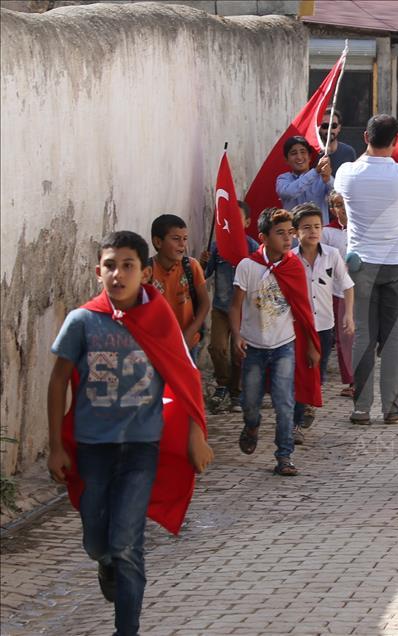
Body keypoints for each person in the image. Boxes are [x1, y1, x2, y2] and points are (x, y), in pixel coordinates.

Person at [47, 231, 212, 636]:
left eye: (128, 266)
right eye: (110, 265)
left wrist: (195, 433)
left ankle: (127, 629)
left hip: (142, 446)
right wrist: (54, 446)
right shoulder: (82, 321)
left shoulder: (160, 319)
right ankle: (105, 563)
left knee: (127, 543)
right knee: (97, 542)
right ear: (97, 270)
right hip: (93, 448)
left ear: (143, 274)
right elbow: (57, 382)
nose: (118, 274)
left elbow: (185, 376)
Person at [334, 115, 398, 425]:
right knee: (394, 338)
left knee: (363, 335)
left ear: (365, 136)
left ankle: (361, 408)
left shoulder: (347, 173)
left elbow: (359, 163)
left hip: (360, 263)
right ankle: (391, 408)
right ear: (395, 142)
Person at [231, 208, 321, 476]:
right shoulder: (248, 266)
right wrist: (236, 335)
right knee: (250, 400)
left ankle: (284, 456)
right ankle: (252, 424)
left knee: (284, 402)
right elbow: (235, 306)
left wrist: (313, 346)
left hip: (284, 344)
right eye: (280, 233)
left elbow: (303, 309)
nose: (287, 239)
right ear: (263, 237)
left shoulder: (293, 266)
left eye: (290, 233)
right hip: (254, 345)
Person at [290, 203, 355, 443]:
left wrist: (348, 315)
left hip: (324, 324)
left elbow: (347, 285)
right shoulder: (290, 259)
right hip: (296, 326)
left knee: (317, 371)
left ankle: (307, 403)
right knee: (298, 374)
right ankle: (294, 422)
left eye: (317, 226)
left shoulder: (331, 254)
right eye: (306, 227)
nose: (313, 232)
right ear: (296, 232)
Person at [199, 201, 259, 413]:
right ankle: (223, 384)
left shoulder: (252, 247)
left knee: (239, 352)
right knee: (217, 347)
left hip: (244, 309)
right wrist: (203, 262)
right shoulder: (217, 247)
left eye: (238, 219)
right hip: (221, 308)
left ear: (247, 222)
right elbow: (205, 275)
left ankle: (237, 392)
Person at [149, 214, 211, 360]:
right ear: (158, 242)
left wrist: (190, 332)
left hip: (188, 341)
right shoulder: (147, 271)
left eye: (185, 239)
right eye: (176, 239)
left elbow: (204, 304)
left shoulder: (191, 266)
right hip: (158, 344)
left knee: (186, 382)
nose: (182, 244)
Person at [321, 192, 356, 398]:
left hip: (360, 289)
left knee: (353, 335)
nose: (340, 209)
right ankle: (351, 379)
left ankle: (357, 378)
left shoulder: (363, 229)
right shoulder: (327, 233)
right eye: (336, 205)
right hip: (334, 290)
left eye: (344, 204)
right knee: (342, 337)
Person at [276, 135, 333, 222]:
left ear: (309, 157)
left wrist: (328, 180)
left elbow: (338, 197)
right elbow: (289, 193)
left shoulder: (323, 176)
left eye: (303, 152)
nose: (299, 157)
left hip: (319, 233)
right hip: (294, 233)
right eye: (294, 153)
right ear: (286, 160)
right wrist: (315, 171)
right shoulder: (283, 179)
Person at [318, 108, 358, 176]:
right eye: (325, 126)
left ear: (339, 128)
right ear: (319, 128)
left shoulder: (348, 152)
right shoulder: (313, 153)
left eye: (333, 126)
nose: (329, 129)